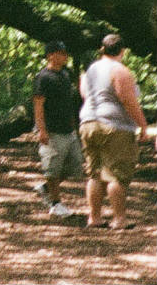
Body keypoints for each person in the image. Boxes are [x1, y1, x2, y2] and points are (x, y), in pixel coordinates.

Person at [79, 34, 153, 229]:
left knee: (95, 174)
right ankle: (119, 219)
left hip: (88, 122)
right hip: (113, 126)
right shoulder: (120, 70)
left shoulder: (91, 70)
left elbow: (85, 93)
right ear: (123, 50)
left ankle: (94, 218)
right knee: (116, 175)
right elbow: (127, 99)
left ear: (103, 49)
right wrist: (142, 125)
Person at [32, 41, 82, 219]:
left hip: (68, 129)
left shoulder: (66, 74)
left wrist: (74, 126)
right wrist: (41, 130)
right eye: (61, 53)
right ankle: (55, 203)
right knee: (53, 168)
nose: (65, 56)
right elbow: (38, 104)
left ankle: (45, 188)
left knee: (75, 163)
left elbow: (69, 102)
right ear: (51, 55)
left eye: (65, 53)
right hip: (52, 130)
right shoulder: (43, 77)